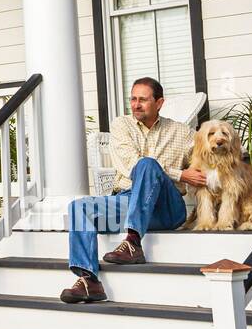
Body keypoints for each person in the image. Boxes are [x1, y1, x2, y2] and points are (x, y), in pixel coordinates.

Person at [59, 77, 205, 304]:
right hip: (128, 199)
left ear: (159, 103)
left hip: (166, 208)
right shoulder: (121, 125)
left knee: (148, 164)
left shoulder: (181, 132)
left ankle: (132, 242)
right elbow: (131, 164)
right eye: (133, 99)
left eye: (143, 100)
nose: (136, 104)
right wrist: (180, 174)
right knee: (79, 207)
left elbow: (208, 160)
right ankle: (89, 281)